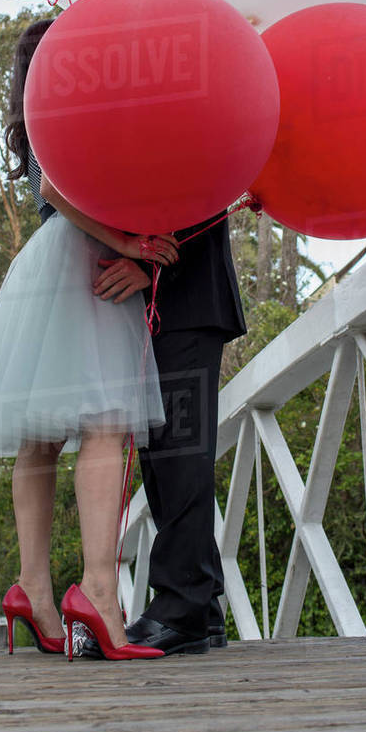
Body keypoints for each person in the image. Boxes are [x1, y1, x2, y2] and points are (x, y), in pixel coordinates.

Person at [0, 19, 176, 661]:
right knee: (104, 423)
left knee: (39, 436)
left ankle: (33, 591)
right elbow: (52, 188)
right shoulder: (69, 102)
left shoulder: (38, 107)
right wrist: (127, 242)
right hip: (84, 258)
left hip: (45, 266)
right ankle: (97, 592)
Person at [87, 201, 247, 657]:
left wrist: (149, 266)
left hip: (188, 298)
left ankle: (182, 610)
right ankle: (203, 609)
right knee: (163, 463)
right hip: (159, 307)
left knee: (180, 458)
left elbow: (206, 192)